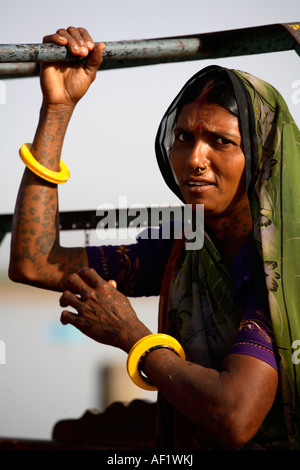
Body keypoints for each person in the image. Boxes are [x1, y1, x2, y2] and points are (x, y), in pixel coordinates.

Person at [8, 27, 300, 450]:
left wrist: (132, 336)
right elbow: (34, 262)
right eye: (184, 138)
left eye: (220, 141)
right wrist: (57, 108)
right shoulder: (186, 245)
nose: (195, 159)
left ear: (262, 156)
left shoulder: (285, 261)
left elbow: (235, 415)